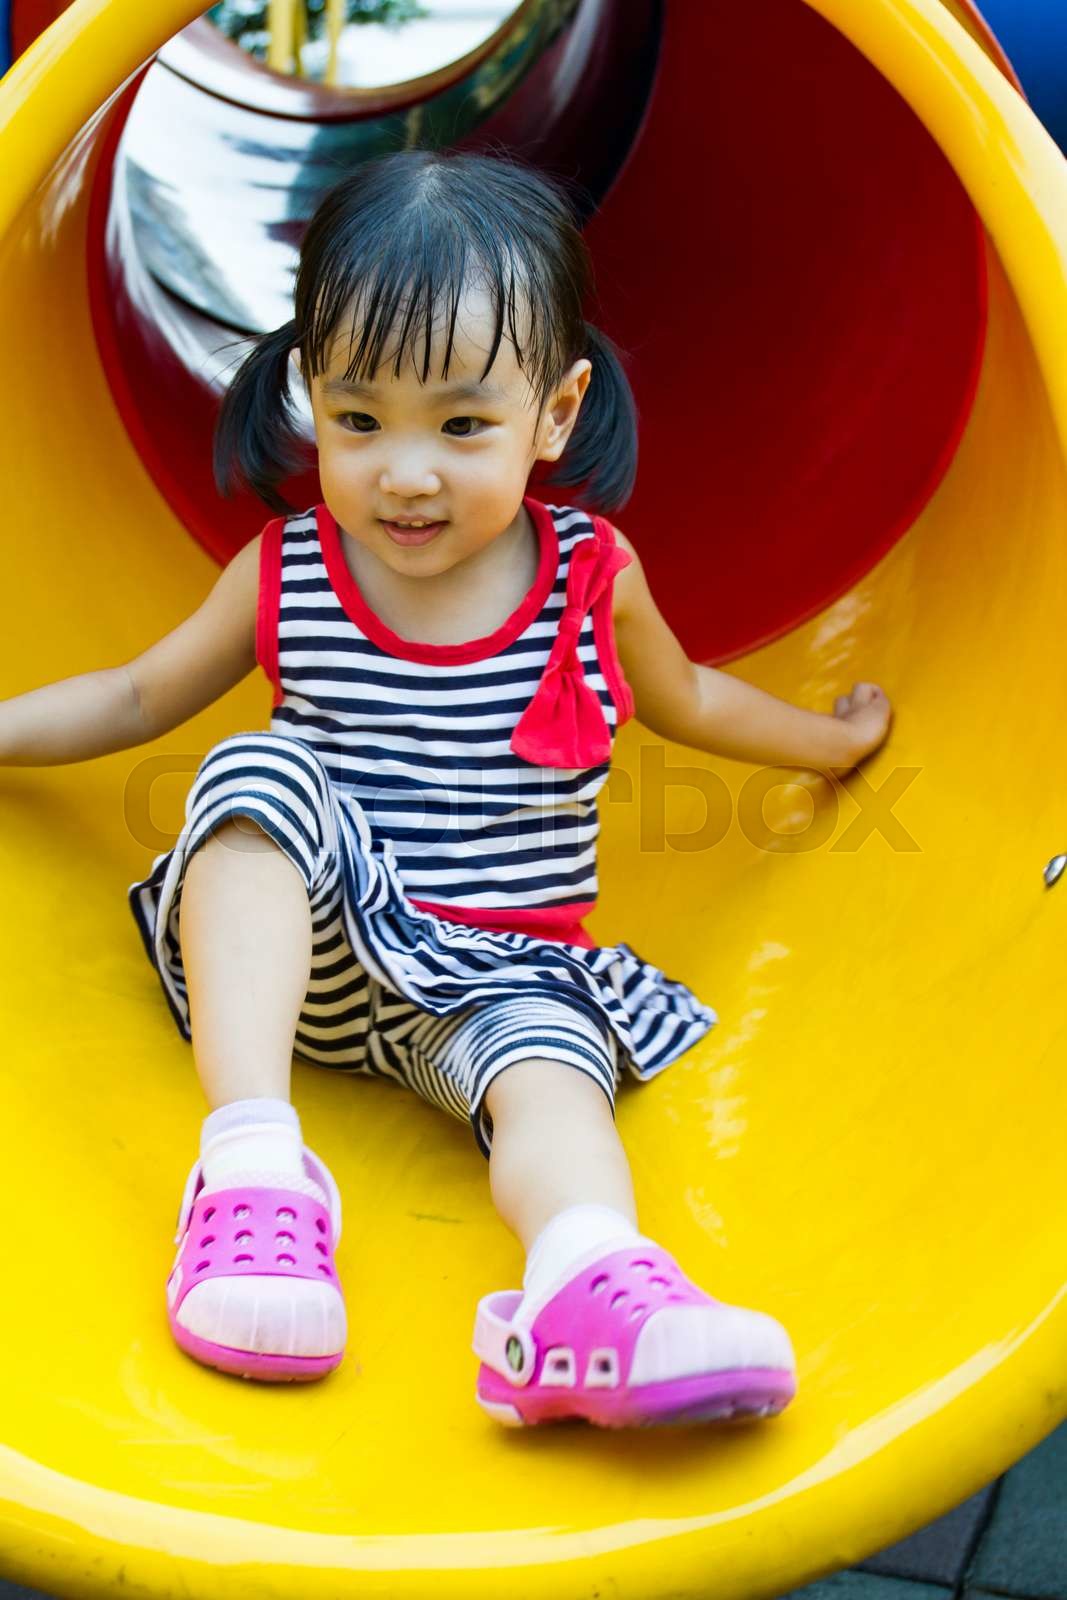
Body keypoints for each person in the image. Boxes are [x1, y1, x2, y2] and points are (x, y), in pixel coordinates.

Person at [0, 149, 892, 1428]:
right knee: (259, 773)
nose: (404, 473)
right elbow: (139, 697)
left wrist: (829, 741)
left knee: (555, 1081)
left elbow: (689, 699)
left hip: (496, 973)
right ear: (309, 391)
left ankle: (586, 1283)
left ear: (555, 411)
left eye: (461, 425)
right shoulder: (291, 568)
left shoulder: (591, 576)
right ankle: (254, 1167)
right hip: (306, 964)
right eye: (359, 420)